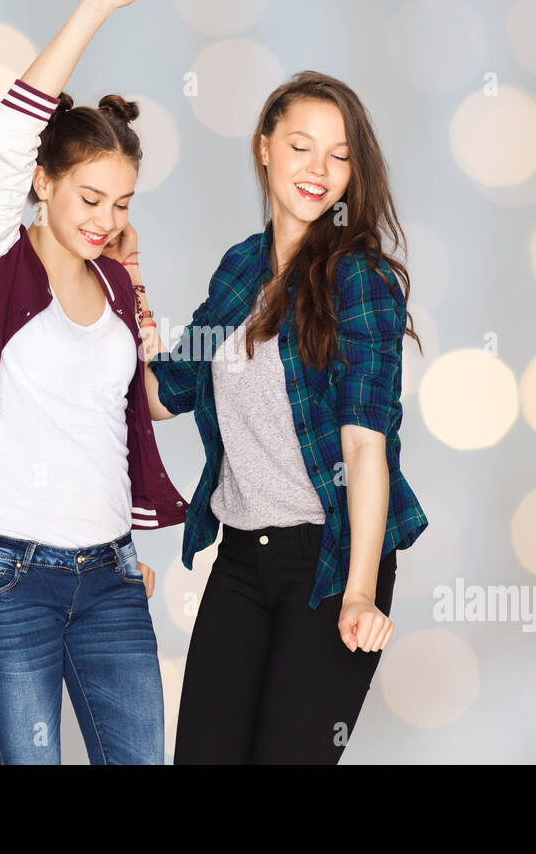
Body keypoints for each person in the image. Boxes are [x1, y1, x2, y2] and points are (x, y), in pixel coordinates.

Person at [135, 71, 429, 764]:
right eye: (300, 146)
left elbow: (365, 447)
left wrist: (359, 592)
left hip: (328, 559)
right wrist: (129, 282)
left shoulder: (360, 280)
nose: (318, 171)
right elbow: (162, 391)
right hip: (241, 558)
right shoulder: (240, 270)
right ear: (264, 147)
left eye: (339, 155)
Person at [0, 0, 186, 765]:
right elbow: (9, 133)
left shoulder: (115, 282)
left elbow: (153, 403)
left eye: (120, 203)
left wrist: (138, 276)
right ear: (42, 183)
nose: (104, 218)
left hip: (112, 577)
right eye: (89, 198)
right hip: (11, 577)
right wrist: (96, 8)